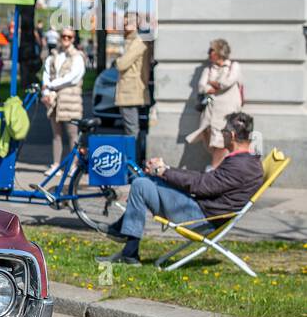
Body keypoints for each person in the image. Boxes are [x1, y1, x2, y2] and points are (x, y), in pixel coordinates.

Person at [101, 111, 263, 265]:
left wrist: (163, 171)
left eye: (223, 131)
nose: (221, 134)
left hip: (201, 220)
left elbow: (202, 186)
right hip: (203, 212)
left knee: (141, 184)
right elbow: (205, 180)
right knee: (145, 182)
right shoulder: (247, 161)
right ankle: (127, 247)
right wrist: (166, 170)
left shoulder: (239, 165)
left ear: (232, 135)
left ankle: (127, 244)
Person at [186, 38, 244, 169]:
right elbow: (201, 86)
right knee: (211, 141)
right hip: (211, 112)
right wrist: (212, 87)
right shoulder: (209, 69)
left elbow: (227, 82)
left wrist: (212, 82)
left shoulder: (233, 66)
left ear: (219, 52)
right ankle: (219, 169)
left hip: (228, 112)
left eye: (211, 50)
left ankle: (214, 169)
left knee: (223, 141)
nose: (208, 53)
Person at [41, 26, 86, 175]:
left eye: (69, 37)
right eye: (64, 36)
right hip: (55, 101)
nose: (66, 39)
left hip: (70, 100)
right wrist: (46, 90)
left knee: (72, 134)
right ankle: (56, 164)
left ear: (73, 39)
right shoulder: (53, 56)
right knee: (56, 134)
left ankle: (74, 165)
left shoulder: (77, 57)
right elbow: (46, 74)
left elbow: (73, 77)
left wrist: (52, 85)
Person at [114, 17, 148, 162]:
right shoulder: (129, 40)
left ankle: (133, 164)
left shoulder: (138, 41)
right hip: (129, 90)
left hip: (131, 91)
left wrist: (117, 60)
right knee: (131, 130)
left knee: (132, 131)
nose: (126, 24)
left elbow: (122, 64)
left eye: (130, 22)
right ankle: (133, 162)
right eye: (125, 21)